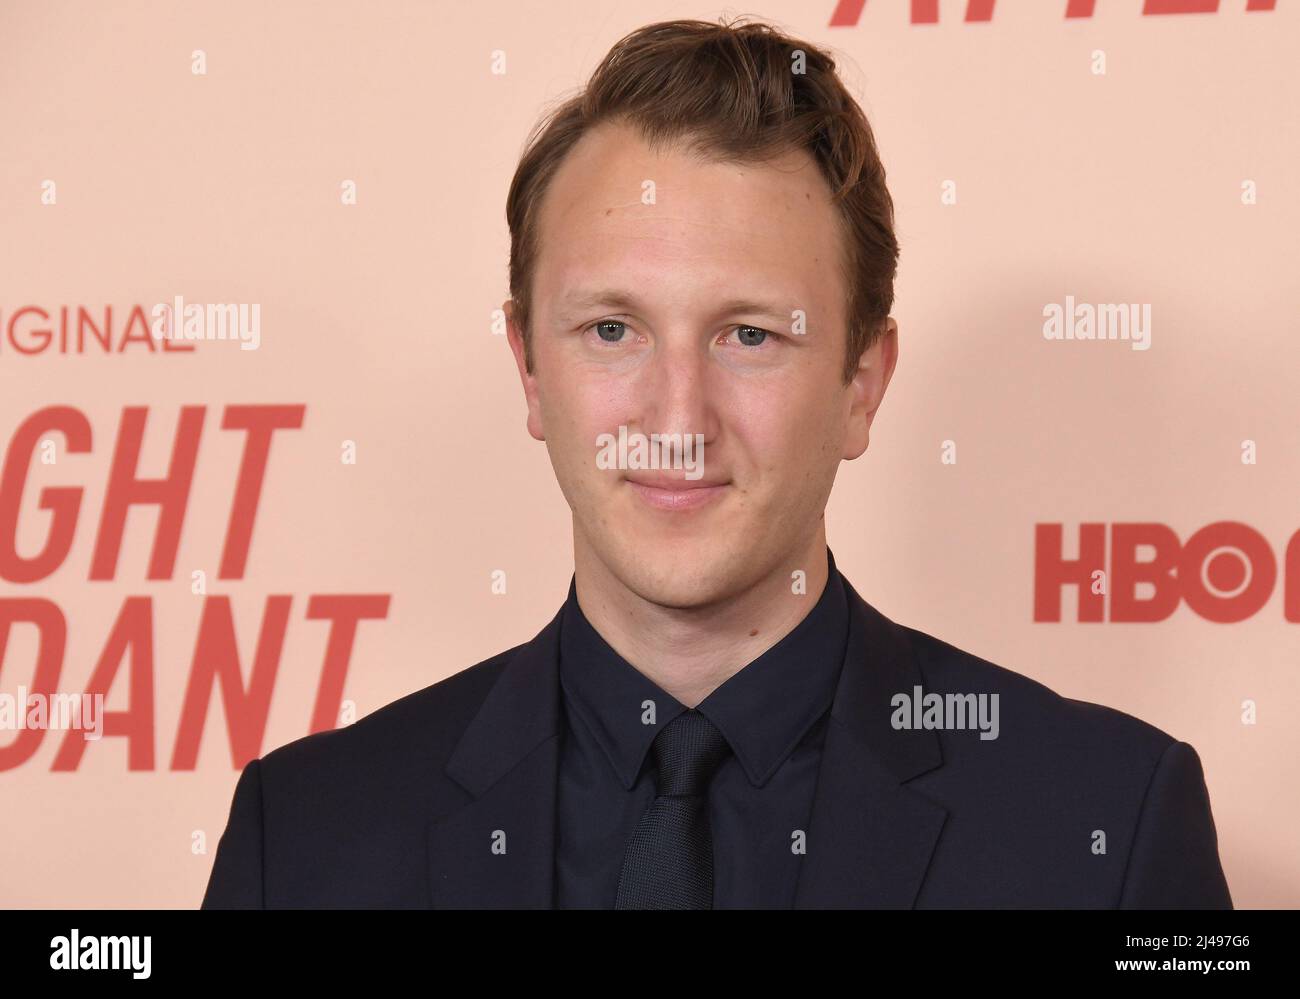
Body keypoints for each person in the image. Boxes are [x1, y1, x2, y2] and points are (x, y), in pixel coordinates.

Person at [201, 16, 1231, 909]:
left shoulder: (1105, 827)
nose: (676, 416)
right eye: (611, 330)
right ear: (526, 368)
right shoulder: (300, 839)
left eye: (750, 336)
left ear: (861, 383)